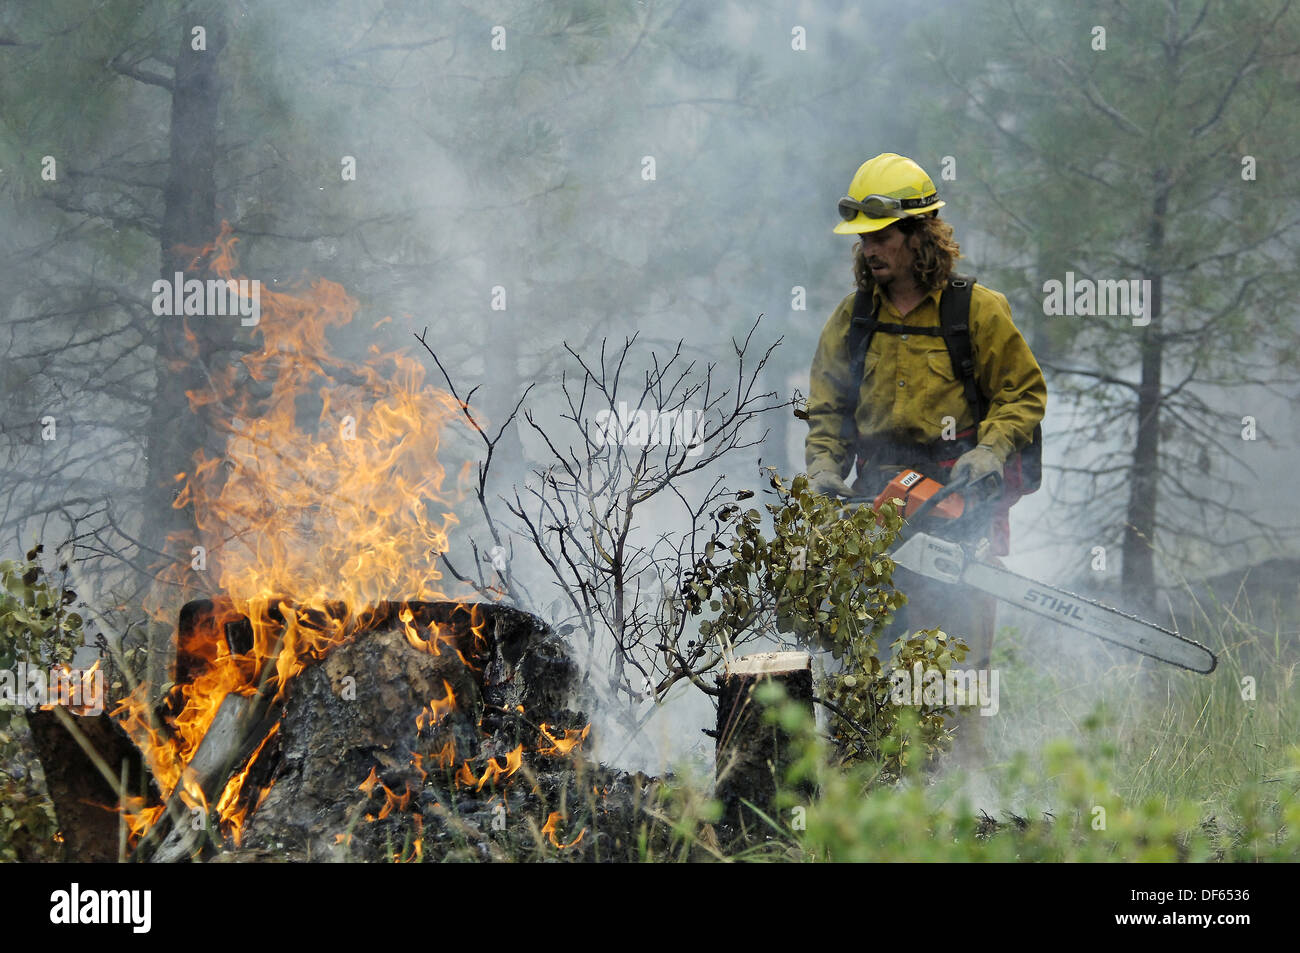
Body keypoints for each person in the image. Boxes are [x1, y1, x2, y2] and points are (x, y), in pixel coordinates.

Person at [804, 152, 1047, 683]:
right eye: (863, 239)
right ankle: (862, 759)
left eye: (881, 237)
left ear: (921, 235)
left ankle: (965, 766)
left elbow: (1022, 393)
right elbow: (828, 407)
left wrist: (989, 450)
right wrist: (823, 465)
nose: (869, 250)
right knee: (864, 660)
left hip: (956, 490)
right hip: (876, 491)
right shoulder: (854, 318)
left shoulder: (975, 311)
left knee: (954, 664)